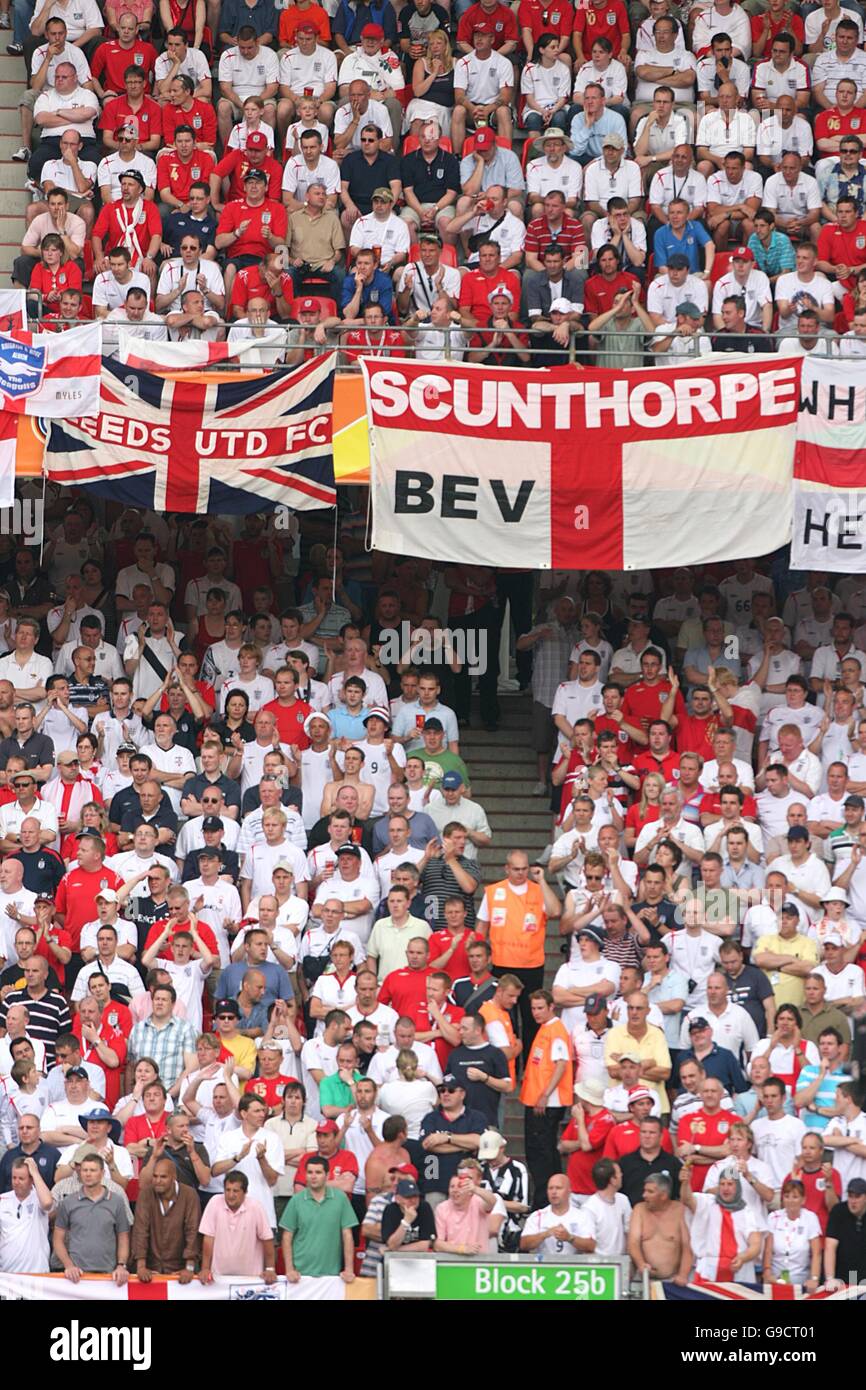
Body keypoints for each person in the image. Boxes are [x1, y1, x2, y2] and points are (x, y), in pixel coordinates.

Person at [53, 1151, 131, 1282]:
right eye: (84, 1170)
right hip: (76, 1276)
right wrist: (68, 1266)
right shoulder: (68, 1202)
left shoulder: (116, 1201)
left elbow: (123, 1236)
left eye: (93, 1170)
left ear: (102, 1173)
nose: (88, 1174)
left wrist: (121, 1265)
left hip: (109, 1275)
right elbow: (57, 1238)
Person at [280, 1153, 358, 1282]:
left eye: (318, 1172)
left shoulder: (341, 1198)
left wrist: (349, 1269)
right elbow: (287, 1236)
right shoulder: (296, 1200)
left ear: (327, 1175)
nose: (313, 1176)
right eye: (310, 1172)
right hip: (300, 1274)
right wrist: (289, 1269)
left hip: (331, 1274)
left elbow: (347, 1235)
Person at [198, 1170, 277, 1282]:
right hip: (219, 1279)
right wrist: (205, 1268)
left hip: (250, 1280)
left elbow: (267, 1240)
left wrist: (270, 1269)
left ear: (245, 1192)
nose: (231, 1195)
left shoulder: (256, 1207)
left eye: (236, 1191)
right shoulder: (214, 1202)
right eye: (227, 1190)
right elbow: (208, 1239)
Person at [131, 1155, 201, 1281]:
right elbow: (140, 1230)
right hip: (151, 1267)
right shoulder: (145, 1194)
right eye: (155, 1176)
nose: (158, 1181)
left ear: (174, 1177)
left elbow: (192, 1231)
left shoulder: (189, 1195)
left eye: (163, 1177)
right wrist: (141, 1266)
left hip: (179, 1267)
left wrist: (189, 1267)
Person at [519, 1172, 596, 1258]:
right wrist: (545, 1234)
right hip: (544, 1268)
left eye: (558, 1188)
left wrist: (570, 1238)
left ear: (569, 1191)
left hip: (573, 1267)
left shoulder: (582, 1216)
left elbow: (591, 1246)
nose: (554, 1192)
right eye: (550, 1188)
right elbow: (523, 1244)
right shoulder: (537, 1216)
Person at [824, 1177, 866, 1289]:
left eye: (857, 1197)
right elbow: (830, 1246)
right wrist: (830, 1278)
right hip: (842, 1278)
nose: (853, 1201)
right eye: (850, 1196)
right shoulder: (838, 1212)